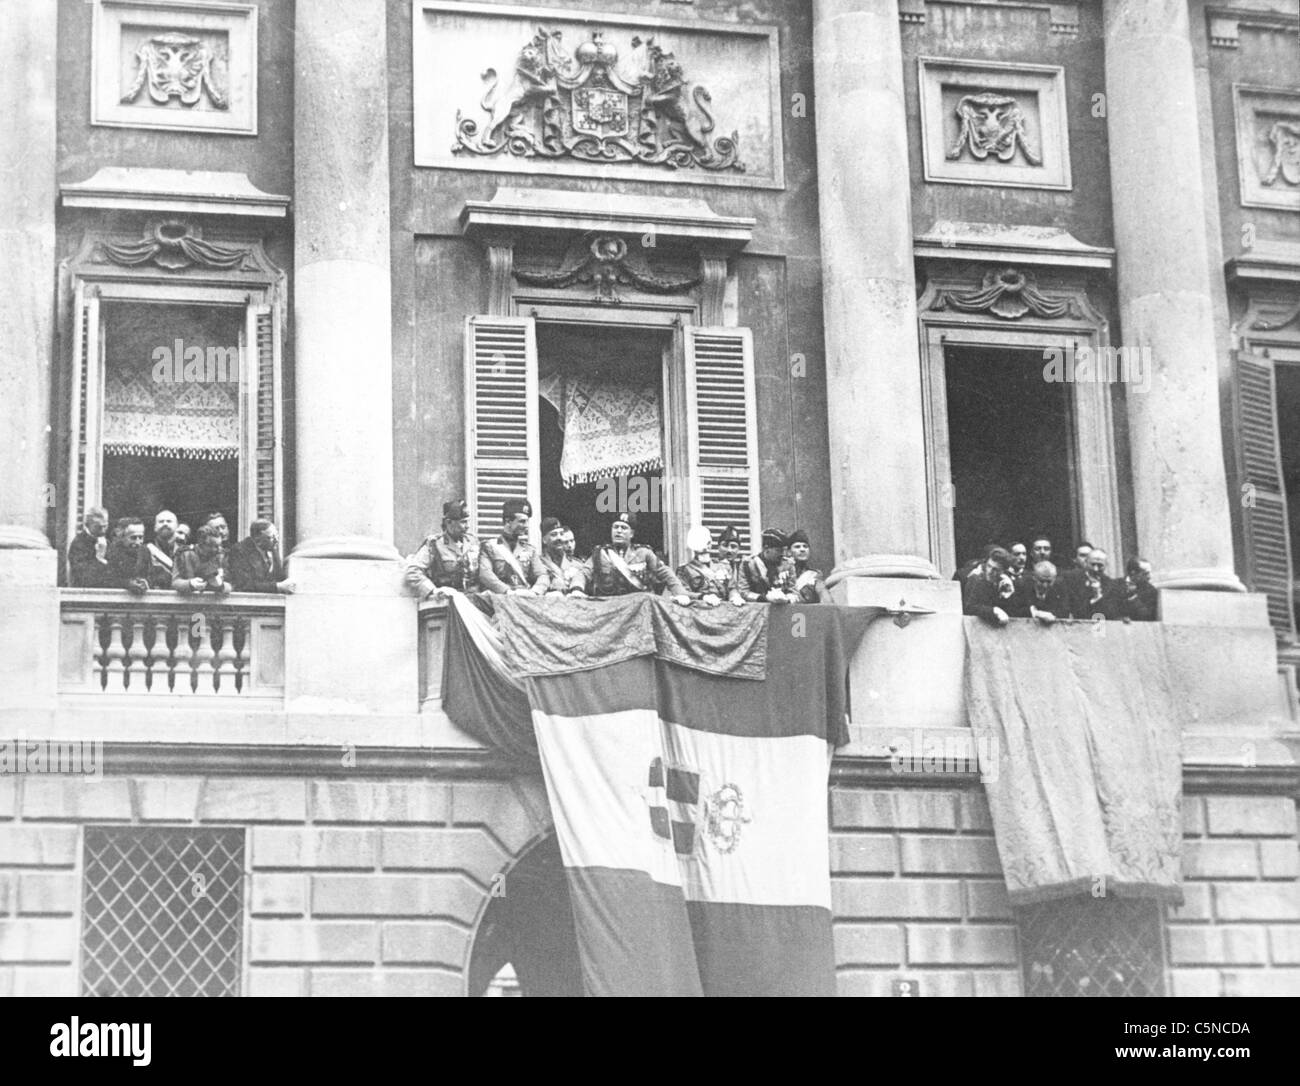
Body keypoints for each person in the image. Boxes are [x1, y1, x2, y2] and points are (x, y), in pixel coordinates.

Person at [589, 512, 689, 602]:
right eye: (615, 527)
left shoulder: (644, 553)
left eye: (624, 528)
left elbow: (665, 572)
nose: (619, 531)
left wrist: (679, 593)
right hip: (611, 605)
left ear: (631, 534)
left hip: (638, 607)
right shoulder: (600, 554)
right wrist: (579, 590)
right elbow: (584, 572)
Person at [404, 498, 480, 600]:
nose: (467, 526)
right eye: (463, 522)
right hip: (447, 600)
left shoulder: (473, 541)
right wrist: (433, 590)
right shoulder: (434, 544)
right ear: (449, 522)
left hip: (474, 598)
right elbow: (413, 571)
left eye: (468, 522)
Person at [477, 498, 550, 596]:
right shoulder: (489, 547)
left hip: (525, 597)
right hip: (500, 598)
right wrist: (507, 591)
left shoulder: (529, 550)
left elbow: (542, 575)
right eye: (522, 521)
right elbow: (485, 575)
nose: (526, 526)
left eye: (527, 521)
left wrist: (535, 591)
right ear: (508, 521)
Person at [676, 526, 742, 606]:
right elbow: (683, 593)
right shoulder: (684, 570)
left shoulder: (724, 567)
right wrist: (703, 597)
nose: (705, 546)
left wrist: (735, 596)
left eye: (707, 542)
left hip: (723, 608)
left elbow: (732, 588)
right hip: (700, 608)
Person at [230, 520, 295, 594]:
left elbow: (279, 577)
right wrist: (277, 586)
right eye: (271, 537)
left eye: (277, 535)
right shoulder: (240, 551)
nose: (276, 540)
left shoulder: (272, 549)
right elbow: (244, 584)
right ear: (257, 540)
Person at [740, 528, 798, 603]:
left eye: (784, 550)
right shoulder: (748, 565)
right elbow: (744, 592)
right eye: (778, 550)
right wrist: (764, 598)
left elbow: (793, 591)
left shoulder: (788, 565)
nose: (782, 554)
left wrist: (788, 598)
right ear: (766, 548)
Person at [962, 546, 1016, 626]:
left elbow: (1011, 612)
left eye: (995, 569)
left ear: (1003, 571)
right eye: (989, 566)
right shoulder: (976, 578)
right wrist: (993, 611)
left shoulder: (1003, 582)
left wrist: (1009, 595)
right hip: (974, 626)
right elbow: (969, 607)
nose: (990, 571)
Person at [173, 523, 231, 595]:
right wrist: (190, 584)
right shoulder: (184, 554)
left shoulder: (222, 555)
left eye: (219, 545)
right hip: (189, 599)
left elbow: (231, 585)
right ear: (201, 544)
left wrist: (221, 586)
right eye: (213, 546)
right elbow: (175, 582)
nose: (218, 549)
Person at [538, 517, 590, 596]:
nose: (559, 538)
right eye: (554, 535)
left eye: (561, 534)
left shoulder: (577, 565)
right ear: (544, 540)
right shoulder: (538, 564)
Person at [1063, 547, 1116, 620]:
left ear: (1106, 565)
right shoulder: (1071, 579)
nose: (1096, 569)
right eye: (1093, 564)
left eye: (1100, 565)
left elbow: (1111, 614)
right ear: (1086, 562)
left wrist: (1098, 597)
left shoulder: (1110, 584)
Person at [105, 517, 152, 595]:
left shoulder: (145, 551)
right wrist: (128, 584)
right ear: (122, 537)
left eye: (140, 537)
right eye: (133, 538)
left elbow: (150, 575)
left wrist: (145, 582)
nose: (138, 542)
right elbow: (107, 579)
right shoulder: (111, 552)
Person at [67, 506, 110, 587]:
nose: (103, 531)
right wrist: (100, 558)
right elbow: (84, 576)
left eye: (105, 526)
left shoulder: (107, 542)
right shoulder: (79, 543)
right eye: (98, 527)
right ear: (87, 525)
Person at [787, 529, 831, 604]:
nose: (802, 549)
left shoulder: (814, 575)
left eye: (805, 546)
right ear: (789, 552)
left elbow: (826, 601)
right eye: (797, 547)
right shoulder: (782, 573)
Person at [146, 510, 180, 588]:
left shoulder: (185, 550)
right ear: (155, 527)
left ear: (177, 526)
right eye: (161, 521)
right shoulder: (146, 549)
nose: (165, 524)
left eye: (169, 521)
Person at [1118, 556, 1157, 622]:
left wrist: (1134, 598)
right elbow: (1107, 611)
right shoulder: (1115, 585)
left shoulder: (1151, 591)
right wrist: (1118, 619)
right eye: (1145, 574)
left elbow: (1149, 617)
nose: (1149, 577)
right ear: (1133, 573)